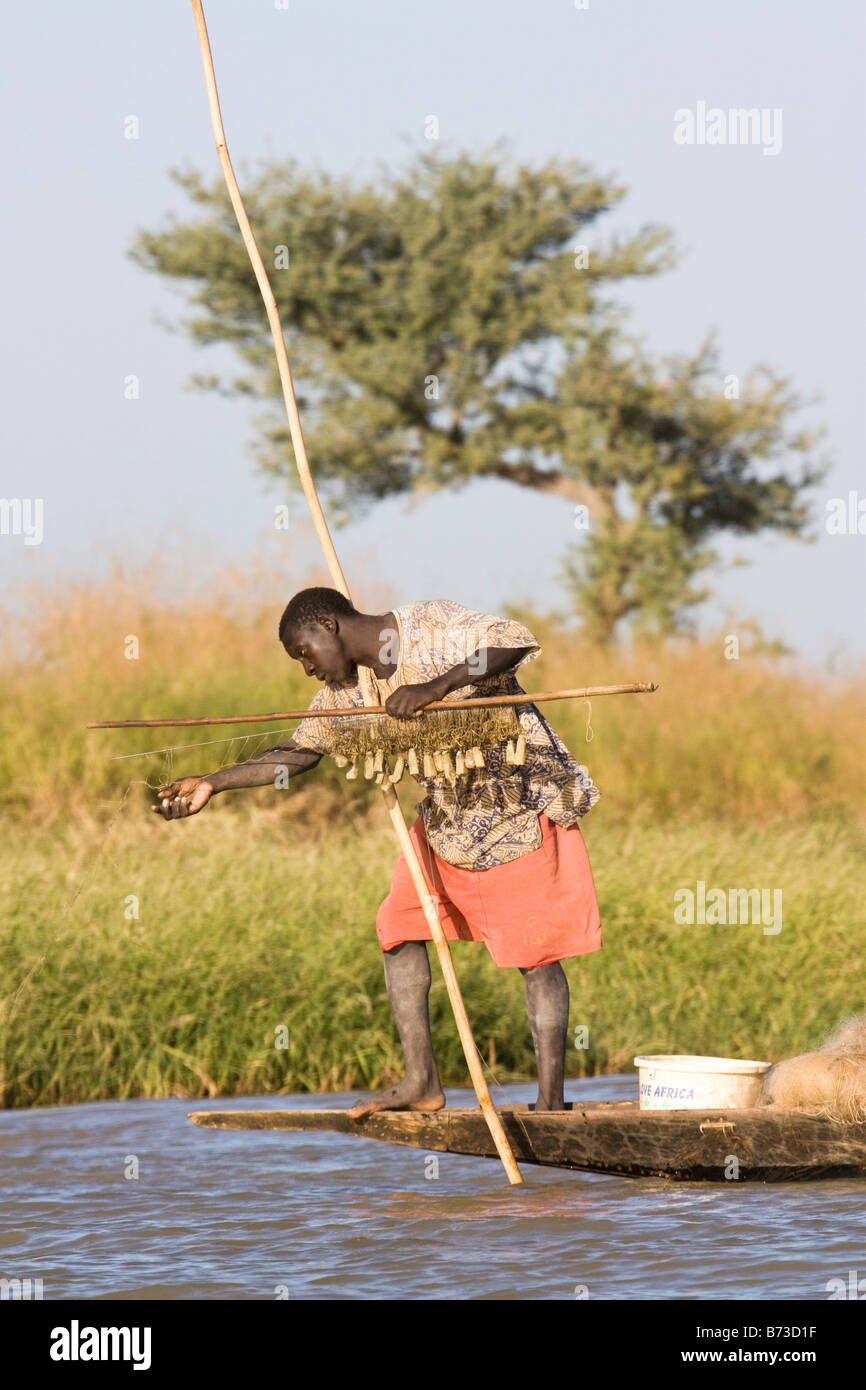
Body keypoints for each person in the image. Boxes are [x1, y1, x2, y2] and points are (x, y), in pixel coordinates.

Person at [153, 588, 602, 1114]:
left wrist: (434, 687)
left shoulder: (426, 626)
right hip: (445, 821)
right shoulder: (345, 695)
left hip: (516, 807)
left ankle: (551, 1102)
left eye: (304, 653)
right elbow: (297, 755)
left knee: (537, 953)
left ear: (328, 624)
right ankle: (421, 1083)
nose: (306, 669)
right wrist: (213, 783)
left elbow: (513, 642)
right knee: (398, 928)